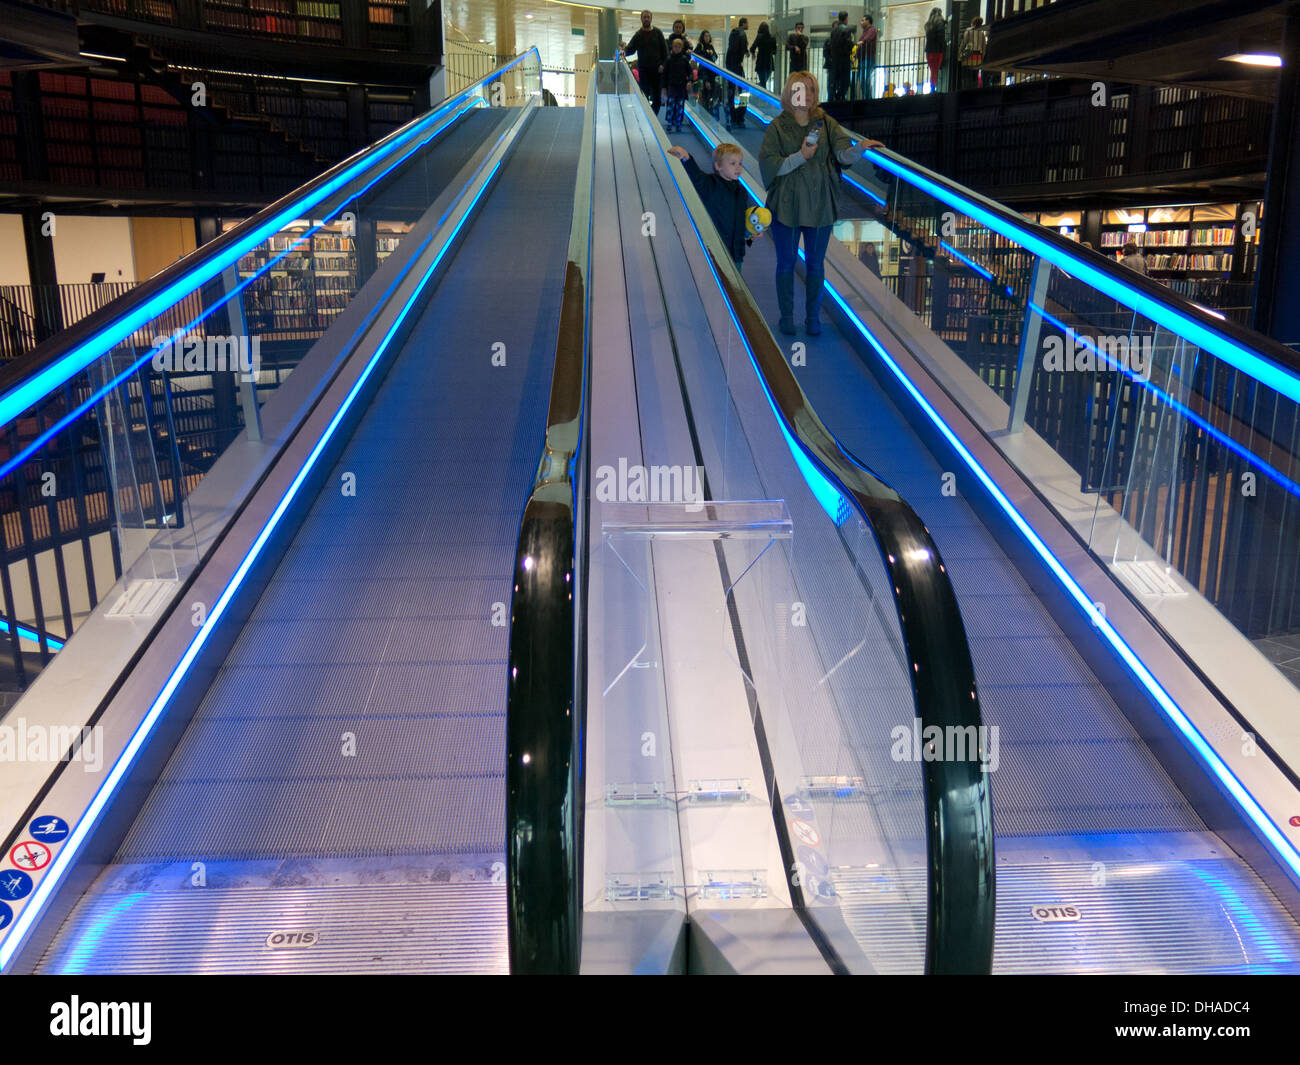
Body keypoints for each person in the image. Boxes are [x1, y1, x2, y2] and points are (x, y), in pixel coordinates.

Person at [759, 71, 885, 335]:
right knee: (786, 263)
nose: (804, 95)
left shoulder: (827, 123)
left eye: (810, 90)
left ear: (816, 95)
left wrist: (860, 148)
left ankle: (812, 319)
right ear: (789, 93)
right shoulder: (777, 127)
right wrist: (800, 156)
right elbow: (769, 166)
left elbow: (842, 155)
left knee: (816, 264)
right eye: (798, 89)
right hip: (786, 206)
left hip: (819, 205)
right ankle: (787, 317)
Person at [667, 142, 757, 268]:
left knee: (735, 285)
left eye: (740, 163)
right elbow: (697, 177)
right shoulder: (711, 185)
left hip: (736, 253)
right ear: (718, 166)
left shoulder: (741, 192)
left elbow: (740, 220)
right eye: (732, 163)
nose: (738, 167)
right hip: (715, 252)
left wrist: (749, 234)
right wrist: (686, 157)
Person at [626, 10, 668, 115]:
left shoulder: (657, 33)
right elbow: (630, 48)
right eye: (644, 17)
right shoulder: (638, 34)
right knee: (644, 95)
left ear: (651, 19)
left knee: (657, 98)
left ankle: (653, 116)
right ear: (641, 19)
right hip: (644, 70)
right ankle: (647, 116)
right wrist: (623, 52)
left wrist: (663, 64)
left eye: (648, 17)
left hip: (657, 70)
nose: (646, 19)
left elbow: (665, 51)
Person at [663, 37, 693, 133]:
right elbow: (664, 74)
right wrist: (663, 87)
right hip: (671, 86)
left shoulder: (684, 60)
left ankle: (678, 123)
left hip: (681, 87)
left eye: (679, 47)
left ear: (682, 48)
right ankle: (670, 123)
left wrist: (689, 81)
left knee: (680, 105)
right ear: (672, 47)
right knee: (671, 105)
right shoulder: (668, 59)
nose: (677, 48)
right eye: (675, 46)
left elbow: (690, 72)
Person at [725, 18, 750, 129]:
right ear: (743, 24)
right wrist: (747, 52)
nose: (748, 25)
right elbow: (743, 48)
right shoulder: (742, 34)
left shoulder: (733, 33)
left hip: (730, 65)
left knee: (730, 91)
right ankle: (740, 117)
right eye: (747, 23)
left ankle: (732, 116)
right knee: (744, 91)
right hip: (737, 66)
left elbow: (732, 48)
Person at [826, 12, 853, 103]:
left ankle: (833, 98)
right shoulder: (846, 30)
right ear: (846, 18)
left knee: (835, 80)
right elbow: (848, 44)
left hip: (835, 59)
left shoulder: (833, 31)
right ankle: (840, 96)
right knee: (845, 81)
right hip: (844, 58)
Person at [695, 31, 720, 120]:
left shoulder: (711, 46)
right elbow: (696, 56)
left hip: (711, 73)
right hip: (704, 73)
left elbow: (715, 57)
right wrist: (706, 53)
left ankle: (711, 115)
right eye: (705, 36)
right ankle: (703, 116)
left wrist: (711, 53)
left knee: (711, 95)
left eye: (708, 36)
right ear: (702, 37)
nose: (707, 38)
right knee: (703, 95)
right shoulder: (700, 46)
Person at [959, 16, 987, 90]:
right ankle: (974, 89)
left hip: (969, 54)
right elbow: (984, 46)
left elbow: (964, 43)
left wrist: (960, 54)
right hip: (978, 56)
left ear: (973, 23)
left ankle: (965, 89)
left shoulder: (968, 31)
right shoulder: (981, 33)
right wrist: (982, 57)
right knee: (975, 75)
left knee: (966, 74)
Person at [750, 22, 777, 91]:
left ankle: (759, 92)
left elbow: (752, 48)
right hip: (769, 62)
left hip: (761, 62)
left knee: (762, 82)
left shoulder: (759, 37)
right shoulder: (772, 38)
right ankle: (763, 94)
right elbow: (775, 51)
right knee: (764, 82)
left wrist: (753, 54)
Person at [857, 15, 878, 100]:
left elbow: (867, 39)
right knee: (863, 80)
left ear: (868, 21)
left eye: (863, 20)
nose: (861, 22)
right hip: (863, 59)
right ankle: (867, 98)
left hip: (868, 58)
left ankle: (868, 98)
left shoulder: (872, 30)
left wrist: (861, 42)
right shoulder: (865, 32)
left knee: (864, 79)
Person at [924, 8, 946, 92]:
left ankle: (933, 88)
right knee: (935, 70)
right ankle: (933, 89)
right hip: (937, 50)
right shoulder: (940, 21)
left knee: (933, 70)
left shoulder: (928, 24)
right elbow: (941, 37)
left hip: (929, 50)